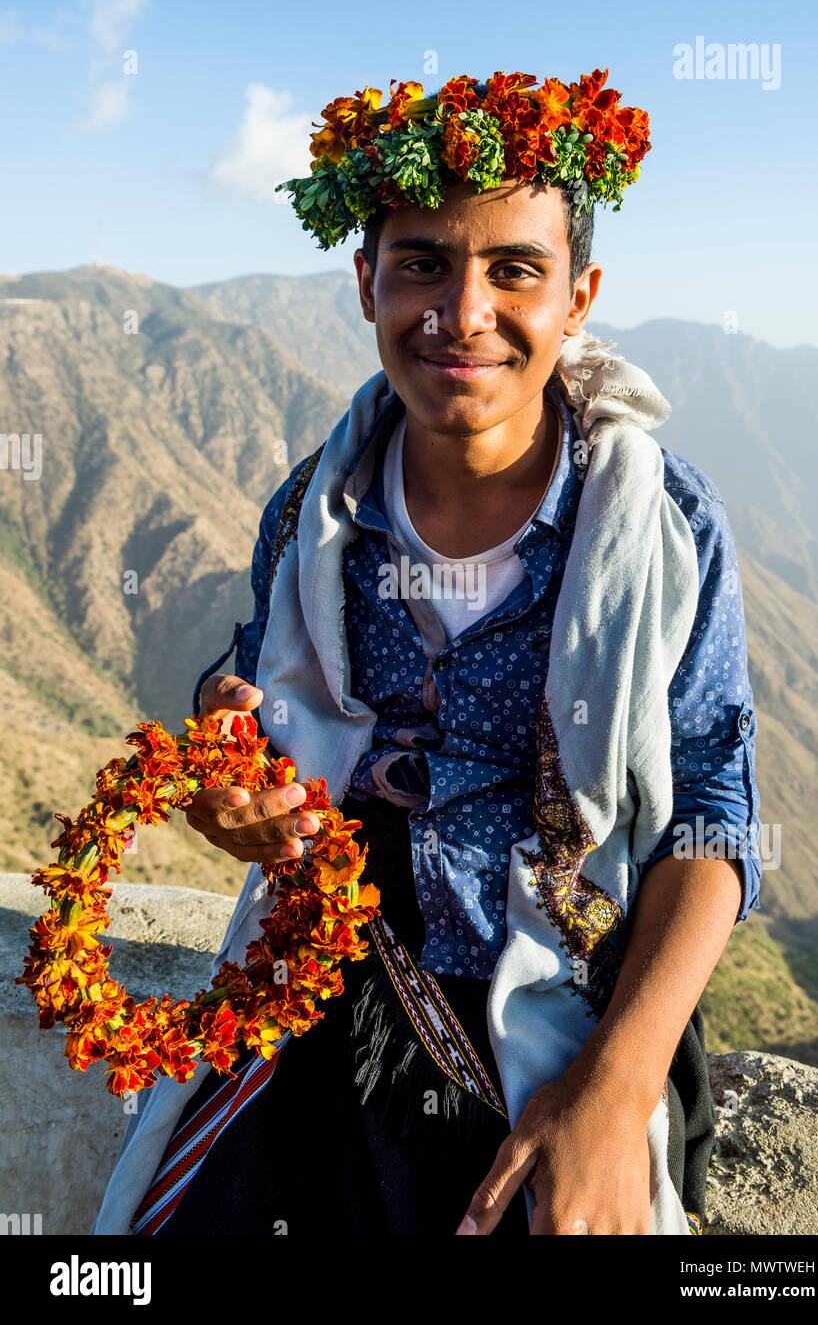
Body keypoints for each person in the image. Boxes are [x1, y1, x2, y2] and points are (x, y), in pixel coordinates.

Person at [92, 70, 762, 1237]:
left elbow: (711, 809)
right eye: (421, 264)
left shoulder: (662, 529)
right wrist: (224, 760)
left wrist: (613, 1090)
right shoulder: (318, 510)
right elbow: (247, 682)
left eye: (514, 269)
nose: (461, 311)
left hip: (569, 1023)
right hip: (323, 1007)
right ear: (366, 280)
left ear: (578, 296)